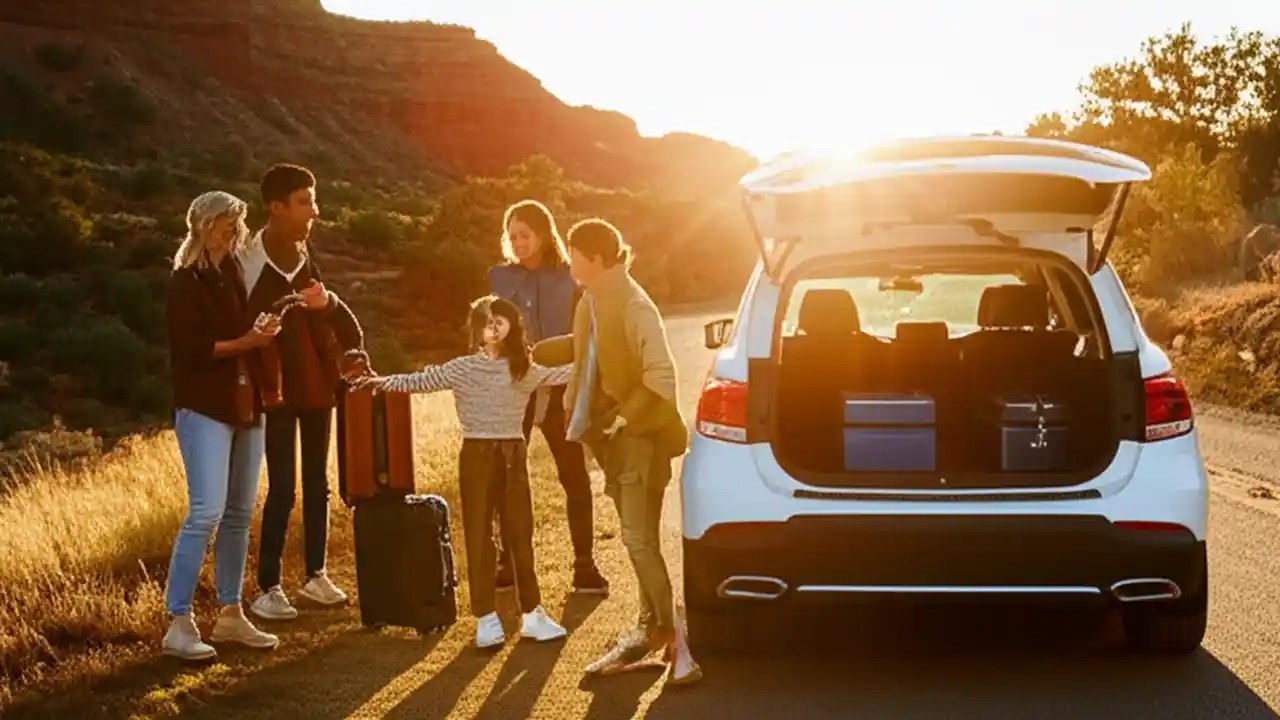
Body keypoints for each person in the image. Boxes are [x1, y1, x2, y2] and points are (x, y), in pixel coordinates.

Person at [532, 218, 700, 685]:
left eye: (574, 257)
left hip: (639, 438)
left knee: (639, 538)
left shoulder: (633, 304)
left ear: (596, 259)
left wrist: (628, 419)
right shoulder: (595, 300)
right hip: (613, 438)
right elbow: (589, 350)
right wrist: (531, 353)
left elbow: (661, 374)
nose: (569, 265)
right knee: (636, 537)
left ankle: (672, 633)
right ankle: (654, 628)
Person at [359, 295, 571, 649]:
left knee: (520, 532)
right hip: (477, 454)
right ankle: (485, 617)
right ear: (476, 328)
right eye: (487, 319)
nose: (494, 325)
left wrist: (601, 359)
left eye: (500, 318)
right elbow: (420, 381)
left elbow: (562, 374)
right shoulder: (462, 368)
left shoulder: (523, 368)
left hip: (513, 455)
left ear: (511, 325)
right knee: (478, 535)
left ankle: (533, 614)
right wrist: (380, 382)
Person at [236, 163, 367, 621]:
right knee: (281, 489)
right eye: (305, 202)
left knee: (317, 483)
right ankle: (267, 588)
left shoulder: (303, 250)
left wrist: (351, 349)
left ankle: (315, 576)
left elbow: (326, 307)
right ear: (276, 207)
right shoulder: (248, 259)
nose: (315, 210)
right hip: (272, 390)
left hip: (315, 386)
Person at [162, 190, 283, 661]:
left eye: (236, 223)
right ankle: (179, 621)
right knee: (205, 513)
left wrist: (260, 331)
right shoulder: (184, 282)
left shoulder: (231, 272)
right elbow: (192, 351)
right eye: (227, 223)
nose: (234, 231)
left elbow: (239, 332)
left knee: (237, 513)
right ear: (204, 226)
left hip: (244, 402)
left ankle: (230, 614)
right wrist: (247, 340)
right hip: (203, 407)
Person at [488, 199, 608, 596]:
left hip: (560, 388)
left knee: (573, 475)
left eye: (526, 235)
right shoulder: (499, 279)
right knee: (507, 476)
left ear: (543, 234)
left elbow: (585, 334)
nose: (519, 242)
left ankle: (584, 566)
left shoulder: (570, 278)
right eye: (513, 237)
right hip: (515, 389)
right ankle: (507, 561)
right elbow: (489, 331)